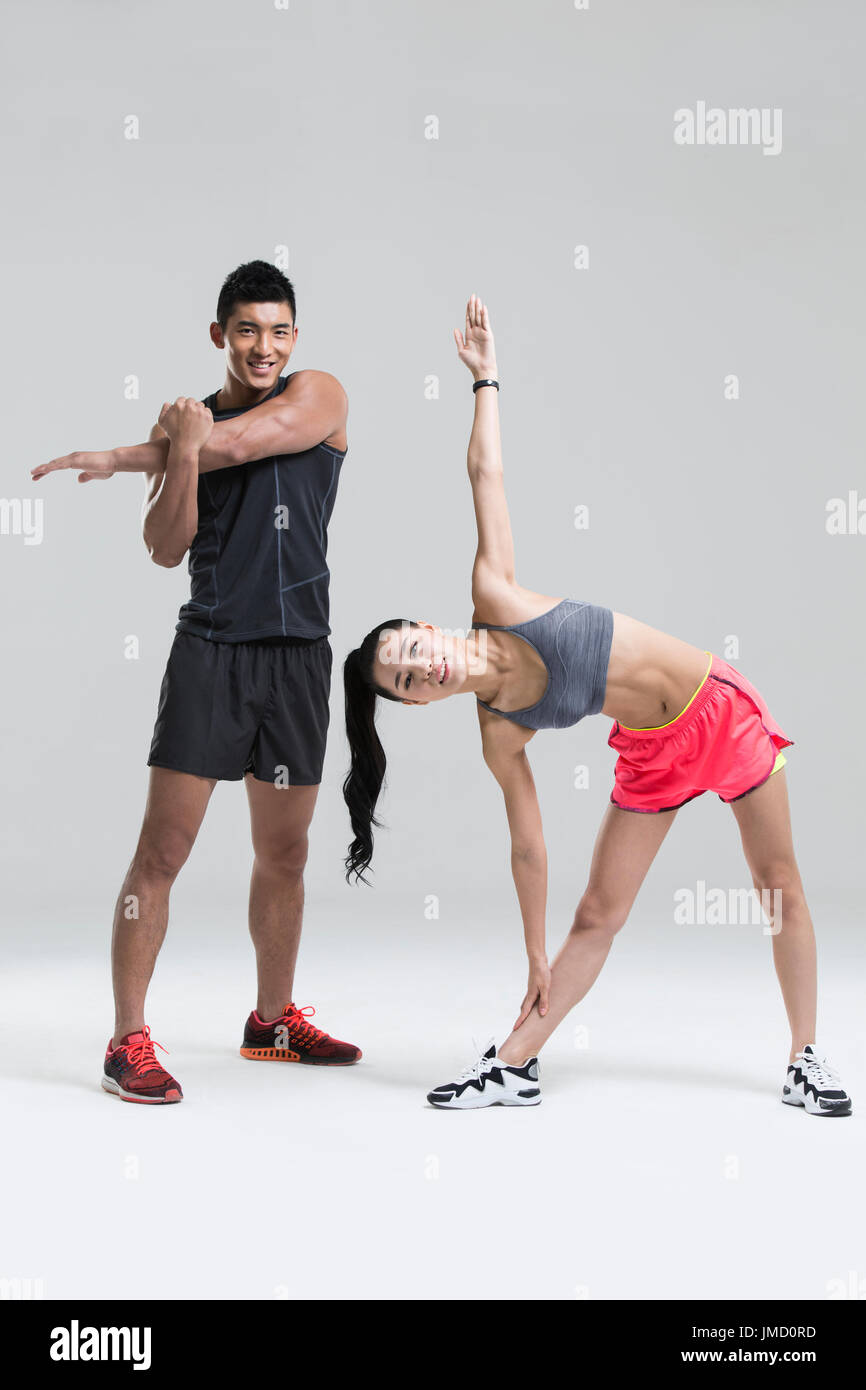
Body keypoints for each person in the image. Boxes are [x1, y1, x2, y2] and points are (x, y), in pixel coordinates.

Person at [341, 295, 852, 1116]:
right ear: (418, 701)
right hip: (652, 751)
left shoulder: (496, 594)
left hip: (718, 714)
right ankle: (513, 1063)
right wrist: (532, 948)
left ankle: (806, 1057)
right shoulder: (497, 732)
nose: (419, 669)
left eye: (408, 650)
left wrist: (485, 381)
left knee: (777, 884)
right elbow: (528, 848)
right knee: (597, 914)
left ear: (426, 627)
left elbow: (486, 476)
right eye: (404, 683)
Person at [32, 260, 361, 1103]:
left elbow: (246, 442)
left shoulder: (319, 394)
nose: (265, 346)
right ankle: (126, 1041)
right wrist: (174, 452)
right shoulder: (187, 421)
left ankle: (273, 1022)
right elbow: (165, 544)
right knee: (163, 853)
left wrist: (124, 452)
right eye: (248, 329)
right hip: (212, 651)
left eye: (279, 330)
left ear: (295, 338)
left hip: (298, 657)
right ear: (220, 335)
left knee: (284, 852)